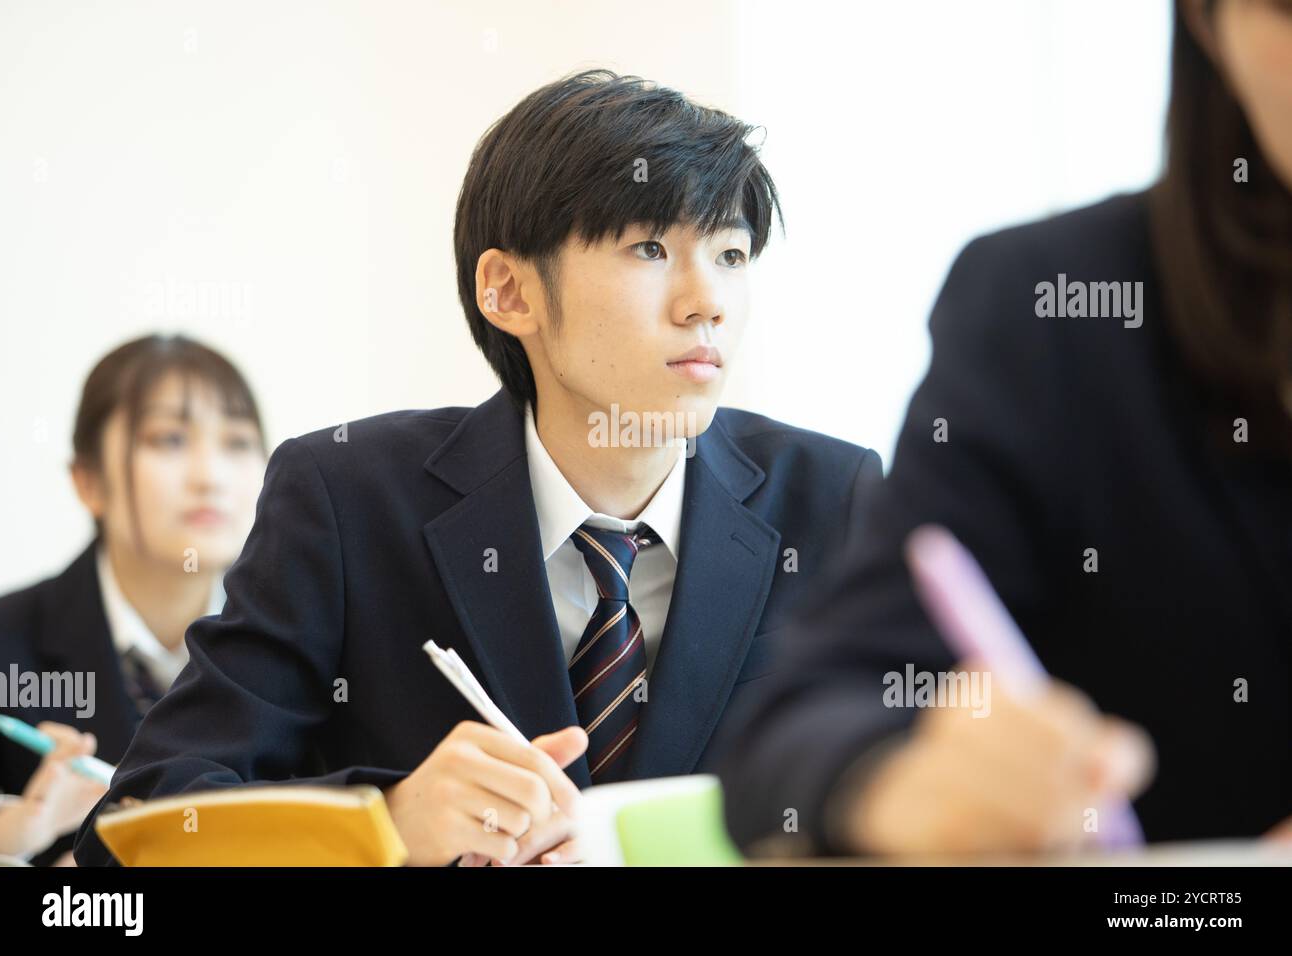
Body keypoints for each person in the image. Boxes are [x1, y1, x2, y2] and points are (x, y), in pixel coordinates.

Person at [73, 70, 883, 868]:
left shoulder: (834, 499)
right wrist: (385, 825)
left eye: (733, 254)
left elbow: (909, 790)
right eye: (650, 247)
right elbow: (143, 820)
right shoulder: (346, 497)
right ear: (508, 291)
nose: (706, 300)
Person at [717, 0, 1292, 858]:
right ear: (1207, 25)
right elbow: (799, 733)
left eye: (726, 254)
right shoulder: (1061, 309)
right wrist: (903, 780)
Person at [0, 334, 267, 864]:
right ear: (89, 480)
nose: (210, 477)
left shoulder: (310, 635)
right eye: (169, 440)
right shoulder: (2, 646)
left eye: (236, 441)